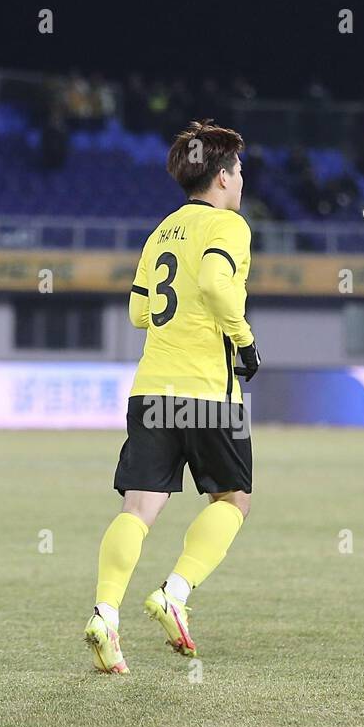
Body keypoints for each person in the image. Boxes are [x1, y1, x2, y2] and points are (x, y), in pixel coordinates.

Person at [84, 119, 259, 674]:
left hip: (153, 388)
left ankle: (105, 614)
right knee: (232, 499)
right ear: (225, 176)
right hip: (209, 392)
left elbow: (139, 311)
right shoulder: (228, 226)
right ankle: (175, 593)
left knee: (138, 508)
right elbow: (213, 282)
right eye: (239, 171)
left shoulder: (161, 231)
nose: (241, 181)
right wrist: (244, 340)